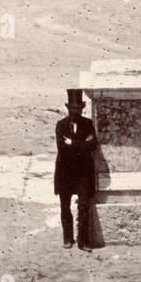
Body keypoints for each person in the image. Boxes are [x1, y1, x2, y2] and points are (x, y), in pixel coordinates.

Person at [54, 88, 97, 251]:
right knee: (65, 207)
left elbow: (93, 145)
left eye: (78, 108)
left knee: (84, 207)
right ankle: (67, 238)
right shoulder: (60, 125)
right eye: (72, 108)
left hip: (83, 174)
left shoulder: (88, 124)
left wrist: (73, 144)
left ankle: (83, 241)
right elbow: (61, 148)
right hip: (65, 172)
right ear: (68, 108)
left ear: (82, 108)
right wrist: (82, 144)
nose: (75, 111)